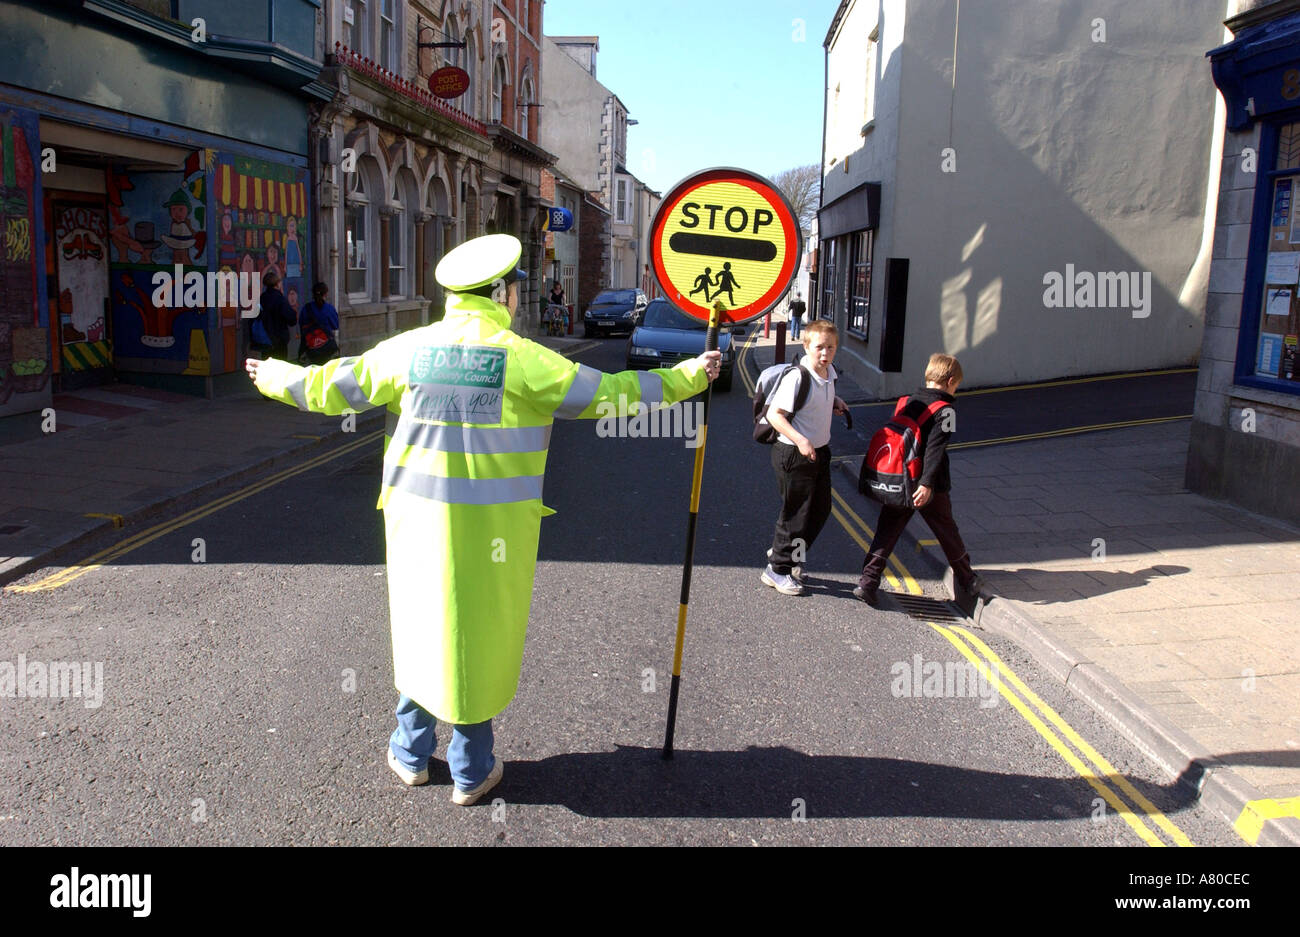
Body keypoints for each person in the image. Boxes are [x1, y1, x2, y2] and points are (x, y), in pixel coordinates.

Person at [245, 234, 721, 805]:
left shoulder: (410, 350)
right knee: (478, 635)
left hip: (416, 526)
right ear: (503, 293)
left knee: (424, 628)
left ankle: (410, 753)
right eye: (516, 288)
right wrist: (690, 375)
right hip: (496, 534)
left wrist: (272, 375)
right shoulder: (524, 359)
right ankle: (472, 771)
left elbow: (332, 386)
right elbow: (614, 395)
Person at [854, 353, 986, 606]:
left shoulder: (906, 400)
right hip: (928, 485)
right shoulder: (945, 410)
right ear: (949, 380)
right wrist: (926, 485)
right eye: (956, 384)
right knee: (947, 531)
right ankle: (968, 580)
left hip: (898, 478)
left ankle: (868, 582)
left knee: (887, 531)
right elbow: (935, 451)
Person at [762, 319, 850, 596]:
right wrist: (801, 440)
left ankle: (786, 554)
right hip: (794, 452)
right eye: (820, 347)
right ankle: (777, 570)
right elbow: (773, 415)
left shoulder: (829, 373)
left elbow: (819, 396)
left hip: (819, 451)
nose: (825, 353)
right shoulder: (797, 377)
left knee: (820, 510)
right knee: (796, 515)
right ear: (806, 346)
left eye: (831, 347)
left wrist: (834, 401)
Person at [252, 268, 296, 361]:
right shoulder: (280, 299)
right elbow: (292, 319)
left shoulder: (262, 298)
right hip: (279, 340)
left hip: (265, 339)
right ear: (277, 284)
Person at [297, 281, 341, 365]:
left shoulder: (306, 308)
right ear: (325, 294)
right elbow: (335, 325)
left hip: (310, 347)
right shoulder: (329, 309)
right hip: (327, 347)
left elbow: (301, 325)